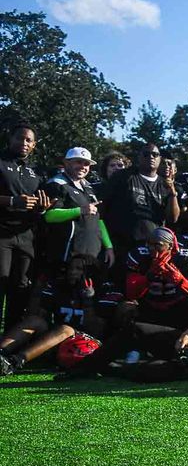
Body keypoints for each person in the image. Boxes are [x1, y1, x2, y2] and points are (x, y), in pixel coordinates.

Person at [0, 254, 100, 376]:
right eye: (70, 268)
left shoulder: (100, 290)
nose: (72, 272)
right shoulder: (59, 286)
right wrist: (38, 289)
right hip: (55, 341)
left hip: (85, 345)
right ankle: (2, 352)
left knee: (66, 329)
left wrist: (88, 299)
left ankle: (14, 362)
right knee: (35, 320)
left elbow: (95, 329)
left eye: (79, 269)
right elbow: (34, 315)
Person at [1, 122, 51, 329]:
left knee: (21, 288)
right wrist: (12, 201)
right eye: (20, 138)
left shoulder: (37, 171)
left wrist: (42, 208)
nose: (24, 142)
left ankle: (8, 341)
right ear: (10, 139)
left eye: (29, 140)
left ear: (34, 145)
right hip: (2, 233)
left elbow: (41, 204)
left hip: (26, 236)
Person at [99, 143, 180, 260]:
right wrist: (108, 246)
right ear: (139, 157)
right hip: (120, 247)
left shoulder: (164, 184)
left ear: (159, 158)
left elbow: (172, 218)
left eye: (155, 154)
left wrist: (172, 192)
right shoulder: (122, 176)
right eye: (146, 154)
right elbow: (102, 211)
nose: (151, 157)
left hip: (152, 249)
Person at [41, 147, 115, 270]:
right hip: (67, 256)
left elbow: (98, 219)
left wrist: (109, 247)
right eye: (78, 162)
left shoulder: (89, 188)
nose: (82, 167)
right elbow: (49, 216)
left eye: (86, 164)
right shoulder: (56, 184)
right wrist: (80, 210)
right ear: (66, 162)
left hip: (93, 254)